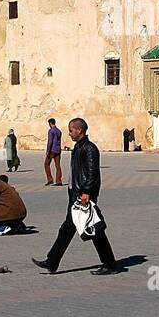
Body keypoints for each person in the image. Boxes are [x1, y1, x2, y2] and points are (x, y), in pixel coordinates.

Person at [32, 117, 122, 275]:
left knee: (94, 229)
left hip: (83, 196)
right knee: (69, 229)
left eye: (71, 130)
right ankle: (52, 262)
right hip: (75, 194)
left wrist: (86, 192)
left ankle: (110, 264)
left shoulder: (89, 148)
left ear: (79, 130)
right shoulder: (79, 147)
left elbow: (92, 172)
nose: (70, 133)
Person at [44, 117, 63, 185]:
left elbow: (50, 141)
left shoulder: (51, 131)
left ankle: (50, 179)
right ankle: (59, 181)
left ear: (50, 123)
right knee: (58, 166)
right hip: (58, 150)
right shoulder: (59, 131)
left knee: (46, 164)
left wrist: (48, 150)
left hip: (52, 150)